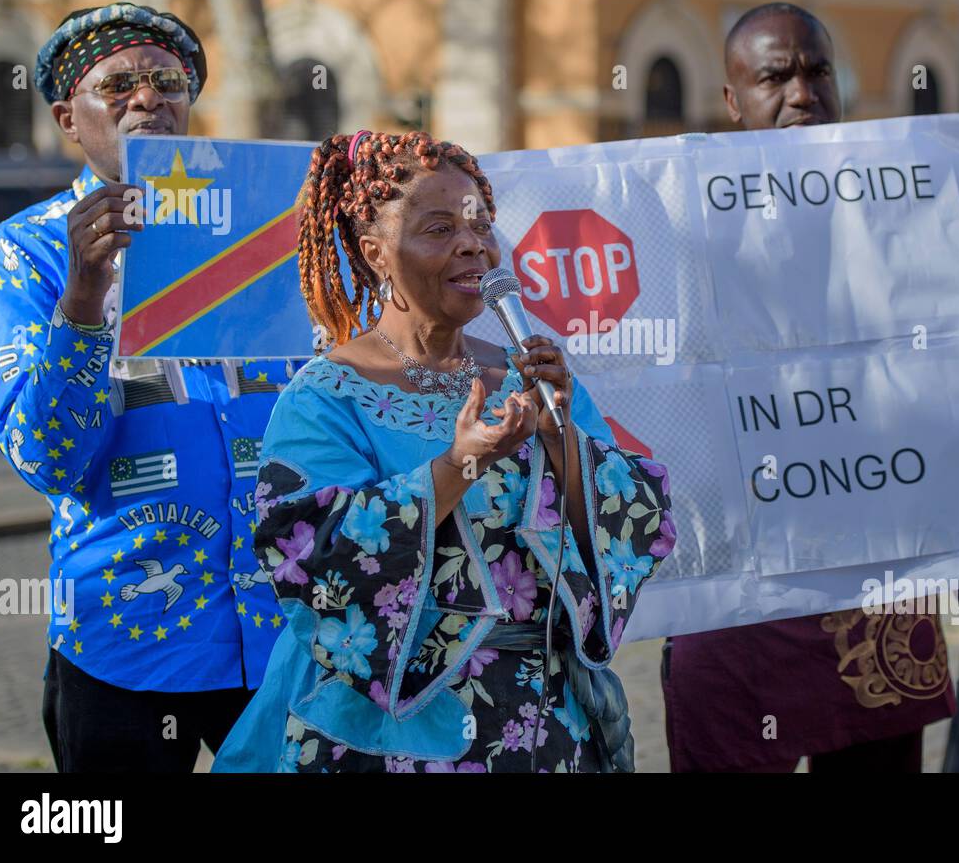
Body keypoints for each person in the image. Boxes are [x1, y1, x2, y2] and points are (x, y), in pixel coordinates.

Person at [660, 2, 959, 774]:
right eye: (775, 76)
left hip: (874, 583)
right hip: (734, 586)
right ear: (732, 101)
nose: (802, 91)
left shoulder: (907, 197)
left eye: (817, 71)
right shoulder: (677, 213)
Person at [211, 129, 675, 773]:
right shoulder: (325, 396)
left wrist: (559, 438)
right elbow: (313, 554)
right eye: (437, 229)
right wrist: (459, 465)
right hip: (396, 738)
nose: (471, 244)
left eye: (481, 225)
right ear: (375, 252)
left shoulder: (529, 377)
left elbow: (632, 523)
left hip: (546, 727)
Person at [0, 2, 294, 772]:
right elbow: (48, 459)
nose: (148, 98)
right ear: (67, 119)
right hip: (127, 639)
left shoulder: (259, 230)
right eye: (117, 86)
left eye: (166, 81)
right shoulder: (25, 252)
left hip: (284, 627)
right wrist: (84, 298)